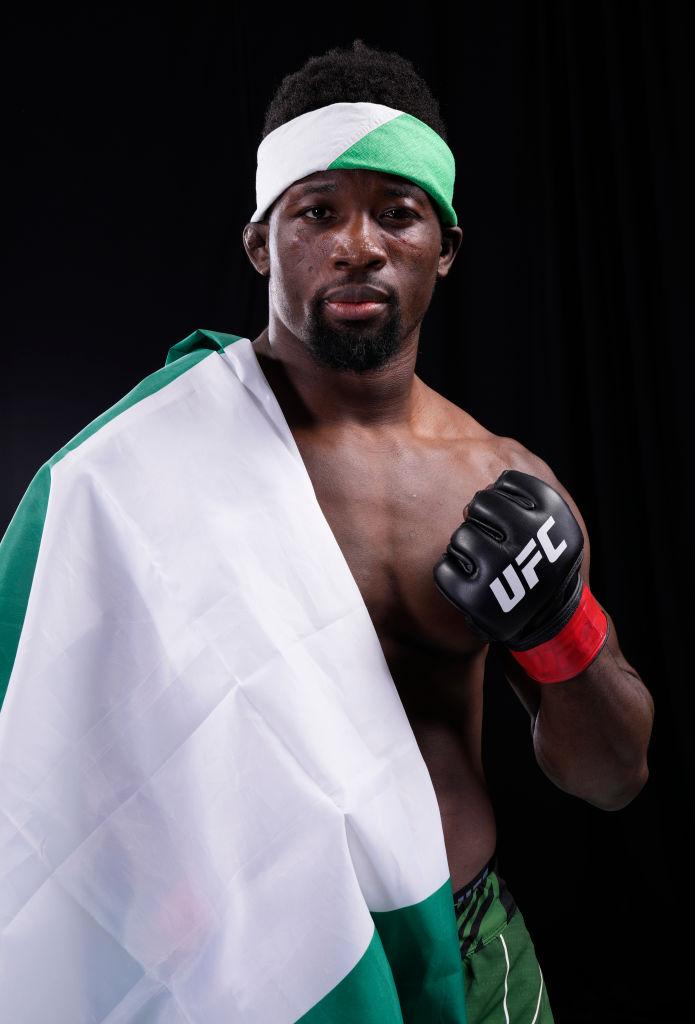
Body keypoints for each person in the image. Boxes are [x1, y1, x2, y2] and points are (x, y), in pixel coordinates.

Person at [0, 40, 653, 1024]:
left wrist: (561, 626)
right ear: (262, 240)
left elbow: (612, 780)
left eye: (395, 212)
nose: (357, 244)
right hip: (237, 970)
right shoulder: (137, 473)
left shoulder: (499, 482)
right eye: (317, 212)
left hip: (458, 953)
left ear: (445, 245)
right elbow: (34, 734)